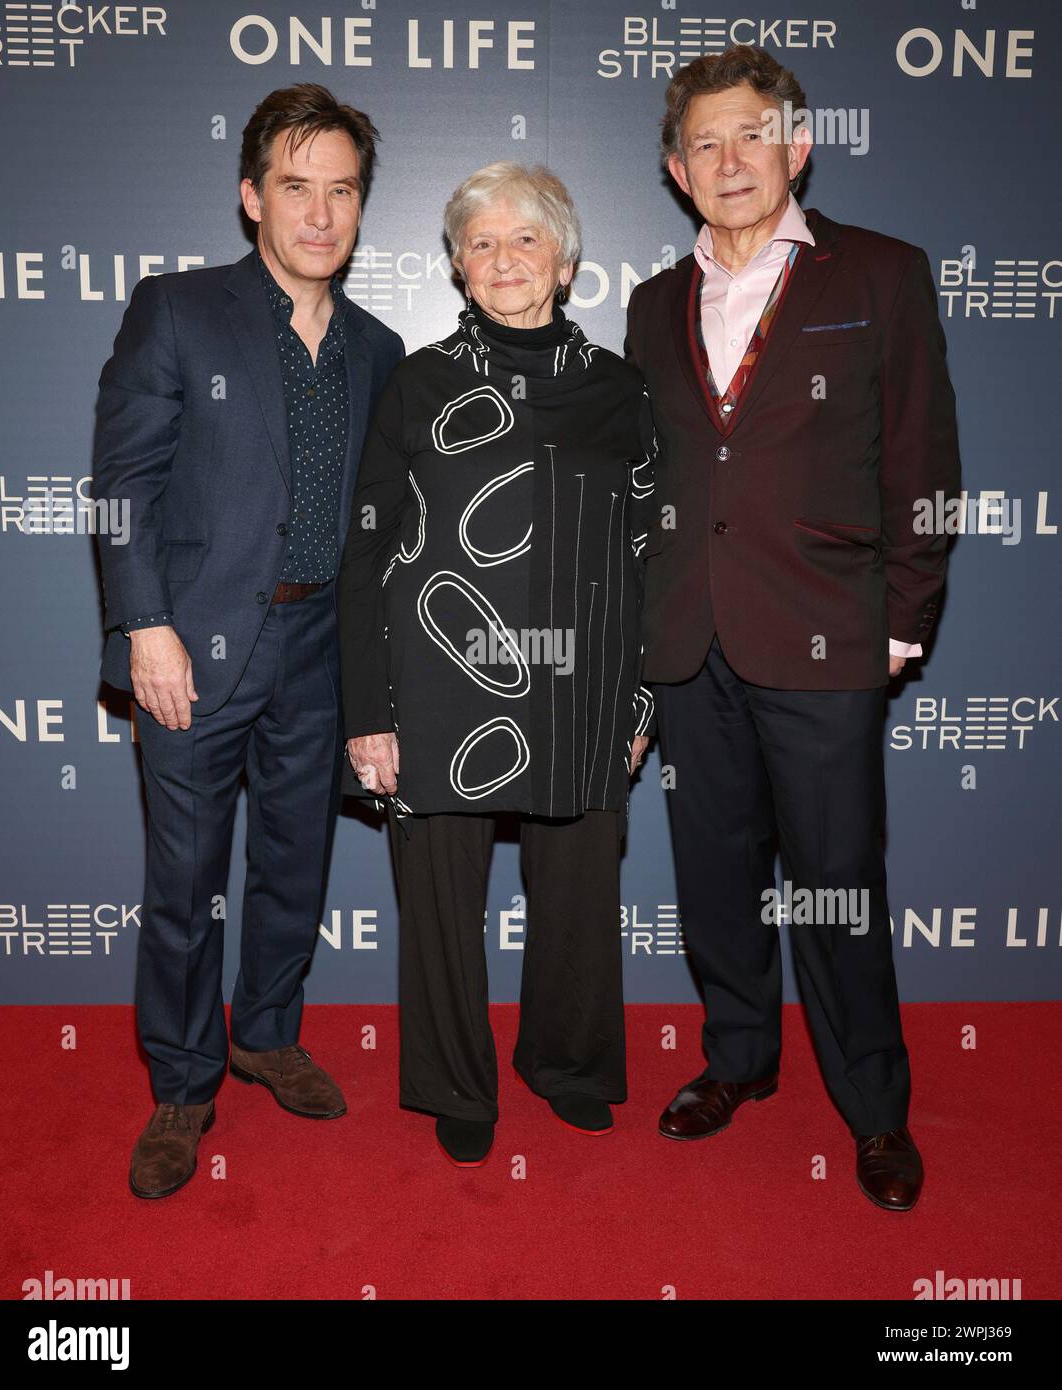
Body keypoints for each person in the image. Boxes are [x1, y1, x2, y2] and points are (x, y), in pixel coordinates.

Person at [625, 47, 960, 1211]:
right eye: (703, 143)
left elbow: (924, 464)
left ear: (796, 146)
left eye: (750, 135)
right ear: (675, 169)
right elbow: (652, 480)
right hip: (687, 643)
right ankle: (738, 1059)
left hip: (826, 636)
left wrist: (900, 626)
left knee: (833, 885)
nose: (729, 160)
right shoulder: (648, 304)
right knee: (714, 874)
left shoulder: (880, 275)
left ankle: (873, 1108)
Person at [92, 83, 404, 1199]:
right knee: (185, 881)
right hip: (196, 645)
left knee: (293, 864)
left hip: (321, 645)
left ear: (361, 207)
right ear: (249, 197)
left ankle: (268, 1032)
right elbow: (121, 485)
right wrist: (145, 625)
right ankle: (183, 1082)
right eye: (295, 187)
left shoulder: (378, 346)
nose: (319, 214)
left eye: (342, 191)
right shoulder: (178, 312)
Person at [338, 162, 658, 1167]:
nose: (502, 259)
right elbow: (366, 548)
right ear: (457, 266)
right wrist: (366, 708)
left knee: (576, 888)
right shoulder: (418, 382)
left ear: (563, 261)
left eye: (525, 239)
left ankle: (566, 1064)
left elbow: (654, 548)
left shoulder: (622, 389)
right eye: (480, 242)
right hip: (438, 676)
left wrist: (641, 695)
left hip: (586, 681)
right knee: (437, 895)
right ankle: (452, 1080)